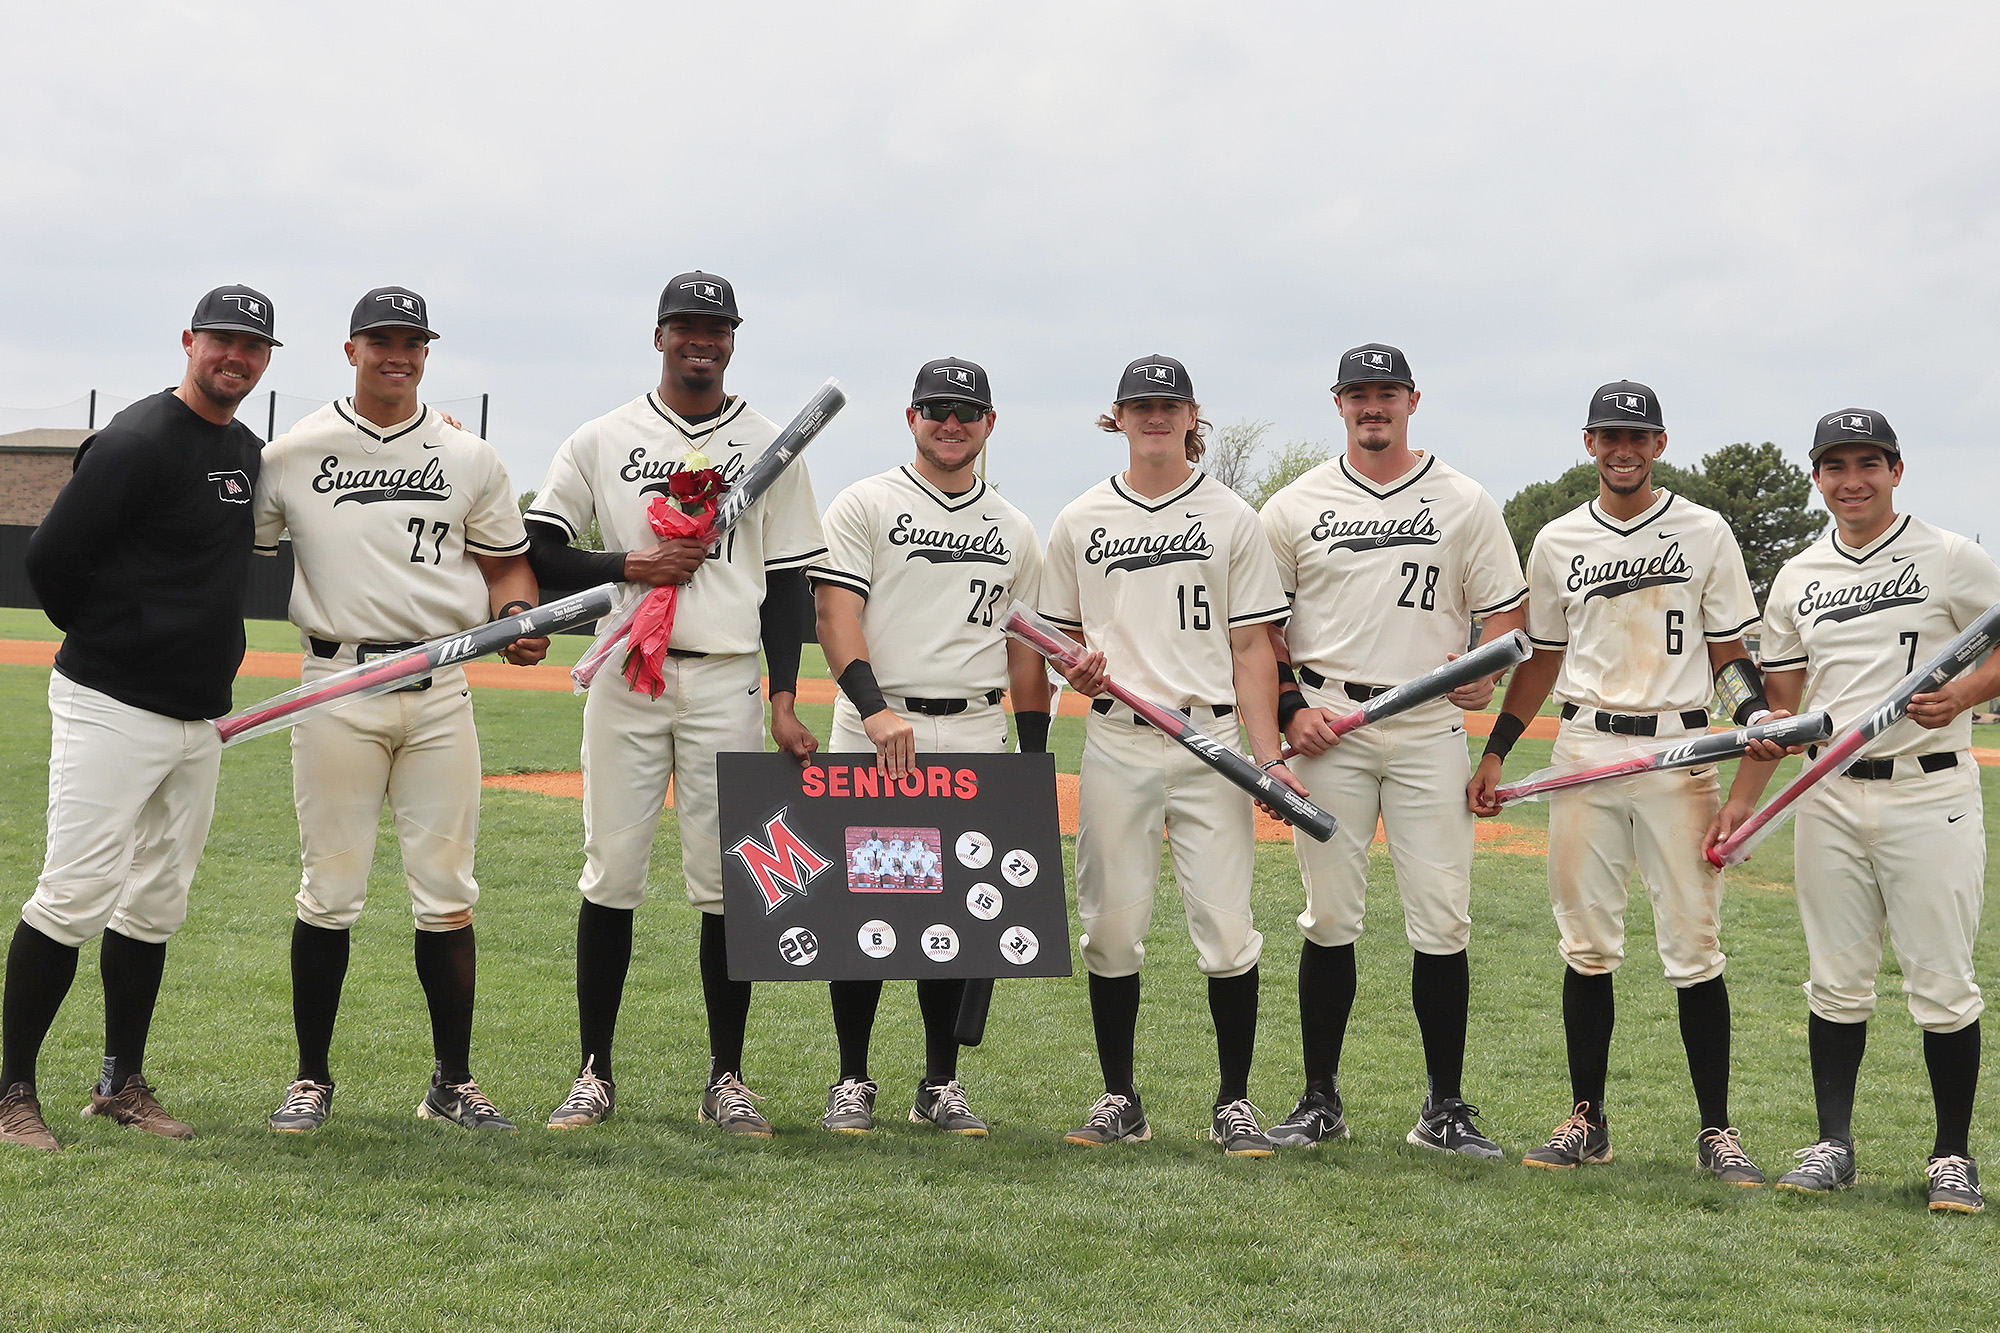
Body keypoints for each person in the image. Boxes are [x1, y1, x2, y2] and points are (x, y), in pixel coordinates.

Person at [526, 271, 823, 1134]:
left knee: (727, 885)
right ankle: (593, 1073)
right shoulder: (603, 436)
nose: (703, 340)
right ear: (659, 334)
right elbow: (542, 546)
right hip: (628, 672)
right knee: (611, 873)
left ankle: (726, 1077)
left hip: (727, 674)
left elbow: (789, 582)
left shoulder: (768, 443)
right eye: (687, 325)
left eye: (718, 327)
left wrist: (783, 696)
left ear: (732, 338)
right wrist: (631, 565)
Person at [253, 286, 544, 1134]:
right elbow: (239, 545)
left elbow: (509, 571)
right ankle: (312, 1078)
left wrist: (519, 621)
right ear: (350, 350)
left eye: (413, 342)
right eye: (381, 340)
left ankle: (452, 1080)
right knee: (330, 889)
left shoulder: (470, 456)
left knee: (448, 893)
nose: (398, 355)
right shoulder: (294, 452)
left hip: (442, 690)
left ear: (427, 353)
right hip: (336, 683)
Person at [0, 285, 278, 1152]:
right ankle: (10, 1092)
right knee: (75, 892)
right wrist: (120, 637)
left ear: (267, 360)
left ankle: (121, 1081)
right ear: (190, 341)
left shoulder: (246, 448)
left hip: (197, 717)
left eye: (254, 346)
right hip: (112, 703)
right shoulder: (134, 440)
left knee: (155, 901)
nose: (236, 356)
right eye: (222, 340)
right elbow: (50, 560)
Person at [1468, 380, 1766, 1185]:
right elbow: (1544, 658)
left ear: (1660, 444)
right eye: (1608, 436)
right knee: (1587, 944)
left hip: (1679, 749)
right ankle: (1587, 1119)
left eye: (1637, 436)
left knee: (1695, 948)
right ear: (1590, 444)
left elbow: (1729, 651)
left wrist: (1757, 715)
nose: (1622, 449)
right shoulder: (1560, 538)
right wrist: (1498, 746)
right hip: (1585, 748)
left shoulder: (1706, 531)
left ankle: (1716, 1130)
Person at [1707, 409, 2000, 1213]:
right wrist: (1742, 802)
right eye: (1835, 467)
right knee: (1836, 982)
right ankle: (1834, 1144)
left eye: (1867, 463)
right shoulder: (1800, 575)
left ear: (1896, 469)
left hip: (1930, 784)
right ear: (1817, 479)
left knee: (1942, 982)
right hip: (1829, 792)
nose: (1852, 480)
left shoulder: (1949, 556)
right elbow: (1784, 705)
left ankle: (1952, 1155)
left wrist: (1966, 691)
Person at [1258, 343, 1526, 1157]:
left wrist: (1483, 672)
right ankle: (1318, 1099)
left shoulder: (1464, 499)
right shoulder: (1294, 504)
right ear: (1337, 403)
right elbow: (1260, 630)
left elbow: (1508, 617)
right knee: (1329, 914)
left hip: (1425, 726)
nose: (1373, 407)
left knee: (1442, 919)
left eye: (1386, 393)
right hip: (1331, 722)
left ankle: (1444, 1107)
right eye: (1358, 394)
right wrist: (1288, 707)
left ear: (1413, 399)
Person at [1040, 355, 1303, 1156]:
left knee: (1226, 930)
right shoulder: (1080, 518)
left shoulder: (1232, 516)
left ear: (1193, 417)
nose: (1154, 417)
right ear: (1116, 417)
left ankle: (1233, 1101)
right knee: (1109, 929)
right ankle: (1121, 1097)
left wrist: (1267, 756)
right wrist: (1074, 662)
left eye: (1169, 405)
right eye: (1139, 405)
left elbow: (1254, 645)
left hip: (1212, 740)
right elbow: (1060, 639)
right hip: (1118, 736)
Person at [809, 356, 1051, 1137]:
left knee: (958, 910)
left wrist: (1033, 755)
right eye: (936, 409)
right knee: (870, 907)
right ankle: (852, 1077)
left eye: (966, 411)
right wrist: (873, 710)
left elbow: (1026, 651)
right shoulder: (866, 503)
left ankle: (940, 1082)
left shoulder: (1014, 527)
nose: (952, 423)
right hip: (882, 724)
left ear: (989, 424)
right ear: (911, 418)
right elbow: (835, 616)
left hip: (977, 726)